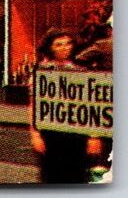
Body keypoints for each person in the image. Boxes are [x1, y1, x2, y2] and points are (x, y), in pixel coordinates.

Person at [31, 28, 101, 184]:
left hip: (76, 133)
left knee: (77, 176)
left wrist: (93, 136)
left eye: (68, 43)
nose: (65, 47)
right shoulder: (43, 71)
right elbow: (34, 105)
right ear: (50, 48)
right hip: (51, 133)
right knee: (52, 177)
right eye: (59, 44)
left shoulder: (81, 71)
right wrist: (35, 135)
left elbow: (90, 106)